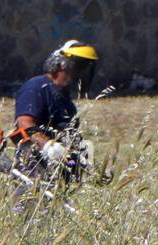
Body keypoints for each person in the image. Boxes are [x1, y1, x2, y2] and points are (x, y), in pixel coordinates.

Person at [12, 41, 99, 186]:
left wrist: (86, 164)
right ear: (60, 65)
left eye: (84, 68)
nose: (80, 74)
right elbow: (24, 123)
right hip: (33, 171)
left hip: (59, 175)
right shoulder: (37, 87)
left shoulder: (66, 101)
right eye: (77, 67)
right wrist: (48, 146)